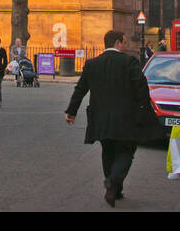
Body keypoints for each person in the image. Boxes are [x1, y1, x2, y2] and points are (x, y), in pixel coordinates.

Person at [64, 29, 160, 207]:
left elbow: (80, 89)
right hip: (125, 118)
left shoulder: (92, 64)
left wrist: (71, 111)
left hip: (100, 118)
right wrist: (143, 111)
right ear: (117, 43)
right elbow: (141, 88)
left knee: (108, 151)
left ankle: (115, 189)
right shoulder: (129, 62)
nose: (126, 45)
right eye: (124, 42)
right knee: (126, 151)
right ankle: (112, 182)